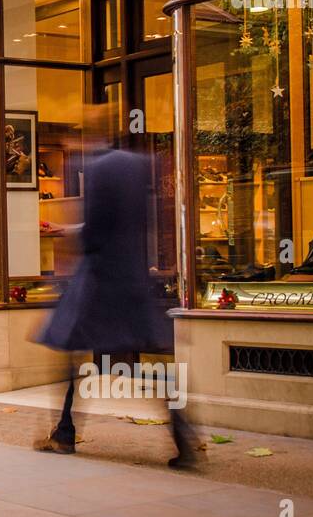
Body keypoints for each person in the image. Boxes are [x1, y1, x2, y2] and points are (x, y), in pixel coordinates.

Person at [34, 106, 197, 469]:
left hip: (98, 280)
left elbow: (93, 229)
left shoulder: (93, 168)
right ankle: (184, 438)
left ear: (86, 135)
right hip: (132, 276)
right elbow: (150, 218)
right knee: (153, 365)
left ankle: (63, 433)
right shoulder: (138, 164)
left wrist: (71, 240)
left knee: (68, 353)